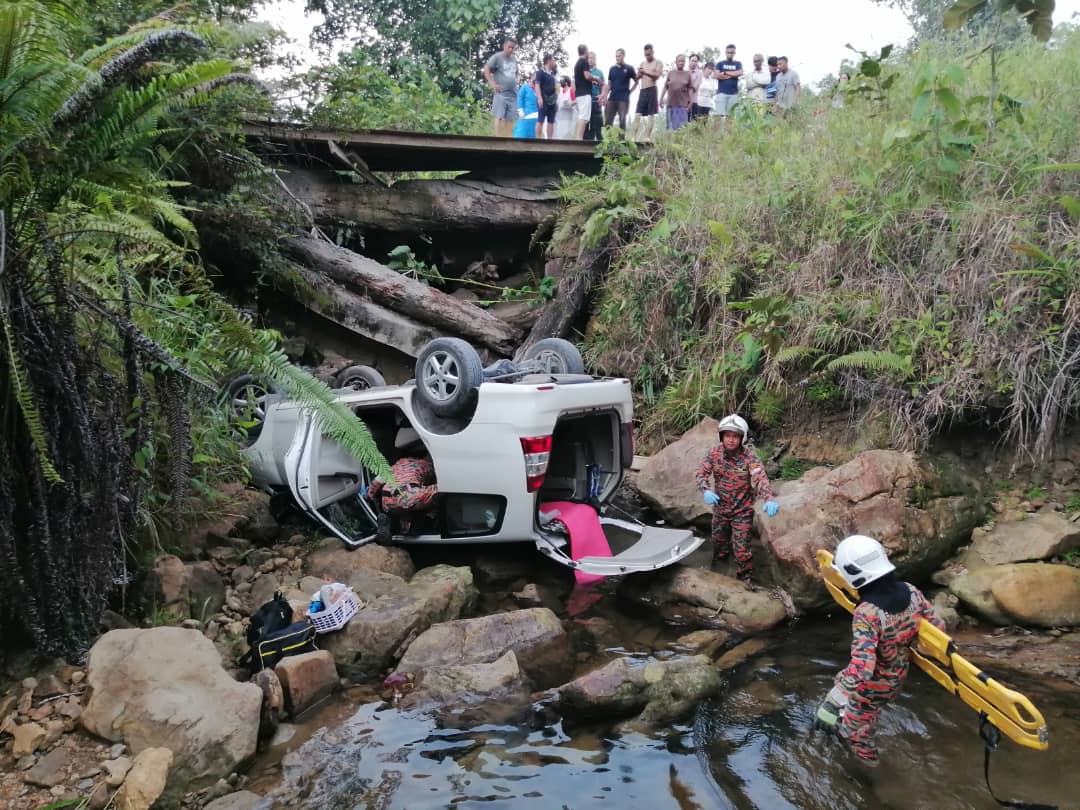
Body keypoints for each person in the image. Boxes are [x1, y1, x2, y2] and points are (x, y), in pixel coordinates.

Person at [814, 535, 946, 767]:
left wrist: (832, 702)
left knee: (855, 734)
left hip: (874, 685)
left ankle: (871, 770)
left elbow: (862, 669)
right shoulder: (911, 591)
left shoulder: (867, 613)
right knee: (863, 708)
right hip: (898, 675)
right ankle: (860, 716)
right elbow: (938, 629)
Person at [693, 414, 779, 582]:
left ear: (742, 438)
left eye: (735, 436)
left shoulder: (750, 458)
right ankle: (719, 573)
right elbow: (701, 473)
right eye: (727, 436)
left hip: (742, 512)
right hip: (720, 509)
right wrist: (705, 490)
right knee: (719, 544)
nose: (731, 440)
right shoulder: (714, 454)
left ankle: (744, 579)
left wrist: (768, 499)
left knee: (742, 551)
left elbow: (760, 479)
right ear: (722, 437)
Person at [366, 456, 439, 534]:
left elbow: (375, 483)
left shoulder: (392, 468)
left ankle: (390, 527)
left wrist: (369, 496)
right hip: (409, 495)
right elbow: (438, 477)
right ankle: (419, 525)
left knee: (398, 511)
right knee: (441, 491)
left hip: (387, 500)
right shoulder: (425, 465)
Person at [483, 39, 518, 137]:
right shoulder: (497, 57)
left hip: (513, 93)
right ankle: (497, 138)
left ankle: (507, 138)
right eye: (509, 47)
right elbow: (486, 69)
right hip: (501, 92)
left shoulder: (514, 59)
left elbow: (515, 73)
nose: (511, 49)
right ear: (504, 46)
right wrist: (492, 84)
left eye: (513, 48)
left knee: (510, 118)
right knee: (498, 116)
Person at [631, 43, 663, 141]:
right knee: (637, 113)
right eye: (645, 54)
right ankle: (634, 137)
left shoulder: (658, 62)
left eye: (649, 54)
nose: (647, 56)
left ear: (652, 52)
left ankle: (647, 137)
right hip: (643, 90)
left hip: (652, 89)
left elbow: (657, 76)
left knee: (651, 114)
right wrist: (639, 73)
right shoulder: (642, 64)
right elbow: (636, 78)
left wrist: (645, 72)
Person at [603, 48, 636, 131]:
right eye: (616, 56)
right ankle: (608, 140)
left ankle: (621, 141)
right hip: (612, 98)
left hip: (623, 99)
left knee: (622, 121)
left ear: (623, 56)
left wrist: (630, 91)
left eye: (619, 56)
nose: (617, 58)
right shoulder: (612, 69)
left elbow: (636, 81)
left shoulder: (629, 68)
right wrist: (605, 96)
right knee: (608, 121)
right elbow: (609, 85)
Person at [660, 53, 693, 132]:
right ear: (676, 62)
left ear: (685, 63)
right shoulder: (671, 73)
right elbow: (665, 87)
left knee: (682, 128)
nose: (681, 63)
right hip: (671, 104)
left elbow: (690, 88)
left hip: (683, 105)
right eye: (679, 61)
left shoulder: (688, 74)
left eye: (683, 61)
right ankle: (670, 143)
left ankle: (681, 144)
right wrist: (661, 98)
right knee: (670, 128)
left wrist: (690, 102)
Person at [572, 44, 598, 139]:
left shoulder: (577, 63)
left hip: (579, 94)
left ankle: (578, 137)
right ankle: (579, 137)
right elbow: (587, 76)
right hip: (584, 94)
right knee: (583, 117)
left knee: (582, 116)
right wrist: (596, 79)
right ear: (586, 52)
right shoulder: (584, 62)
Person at [713, 43, 743, 120]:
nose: (730, 54)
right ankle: (718, 132)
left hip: (734, 94)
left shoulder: (738, 63)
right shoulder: (720, 63)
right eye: (728, 52)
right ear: (726, 52)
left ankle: (728, 132)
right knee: (719, 117)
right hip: (721, 93)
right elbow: (717, 75)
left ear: (734, 53)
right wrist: (733, 75)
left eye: (732, 52)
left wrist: (725, 73)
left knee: (731, 117)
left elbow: (739, 73)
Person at [534, 53, 558, 139]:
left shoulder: (553, 74)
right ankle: (537, 139)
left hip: (552, 101)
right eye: (553, 60)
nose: (554, 62)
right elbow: (537, 85)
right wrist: (539, 98)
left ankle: (550, 140)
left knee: (551, 121)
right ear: (548, 61)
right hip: (543, 100)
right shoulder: (540, 72)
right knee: (540, 120)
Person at [584, 51, 605, 140]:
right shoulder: (584, 71)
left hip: (595, 102)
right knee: (585, 125)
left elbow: (603, 86)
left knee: (595, 126)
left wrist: (602, 96)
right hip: (585, 102)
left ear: (595, 60)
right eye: (589, 58)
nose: (590, 60)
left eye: (592, 58)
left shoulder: (599, 72)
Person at [688, 54, 704, 119]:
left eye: (696, 61)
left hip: (694, 100)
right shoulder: (683, 71)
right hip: (682, 100)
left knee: (694, 121)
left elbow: (694, 88)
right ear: (689, 61)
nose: (694, 63)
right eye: (692, 61)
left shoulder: (699, 73)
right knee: (683, 122)